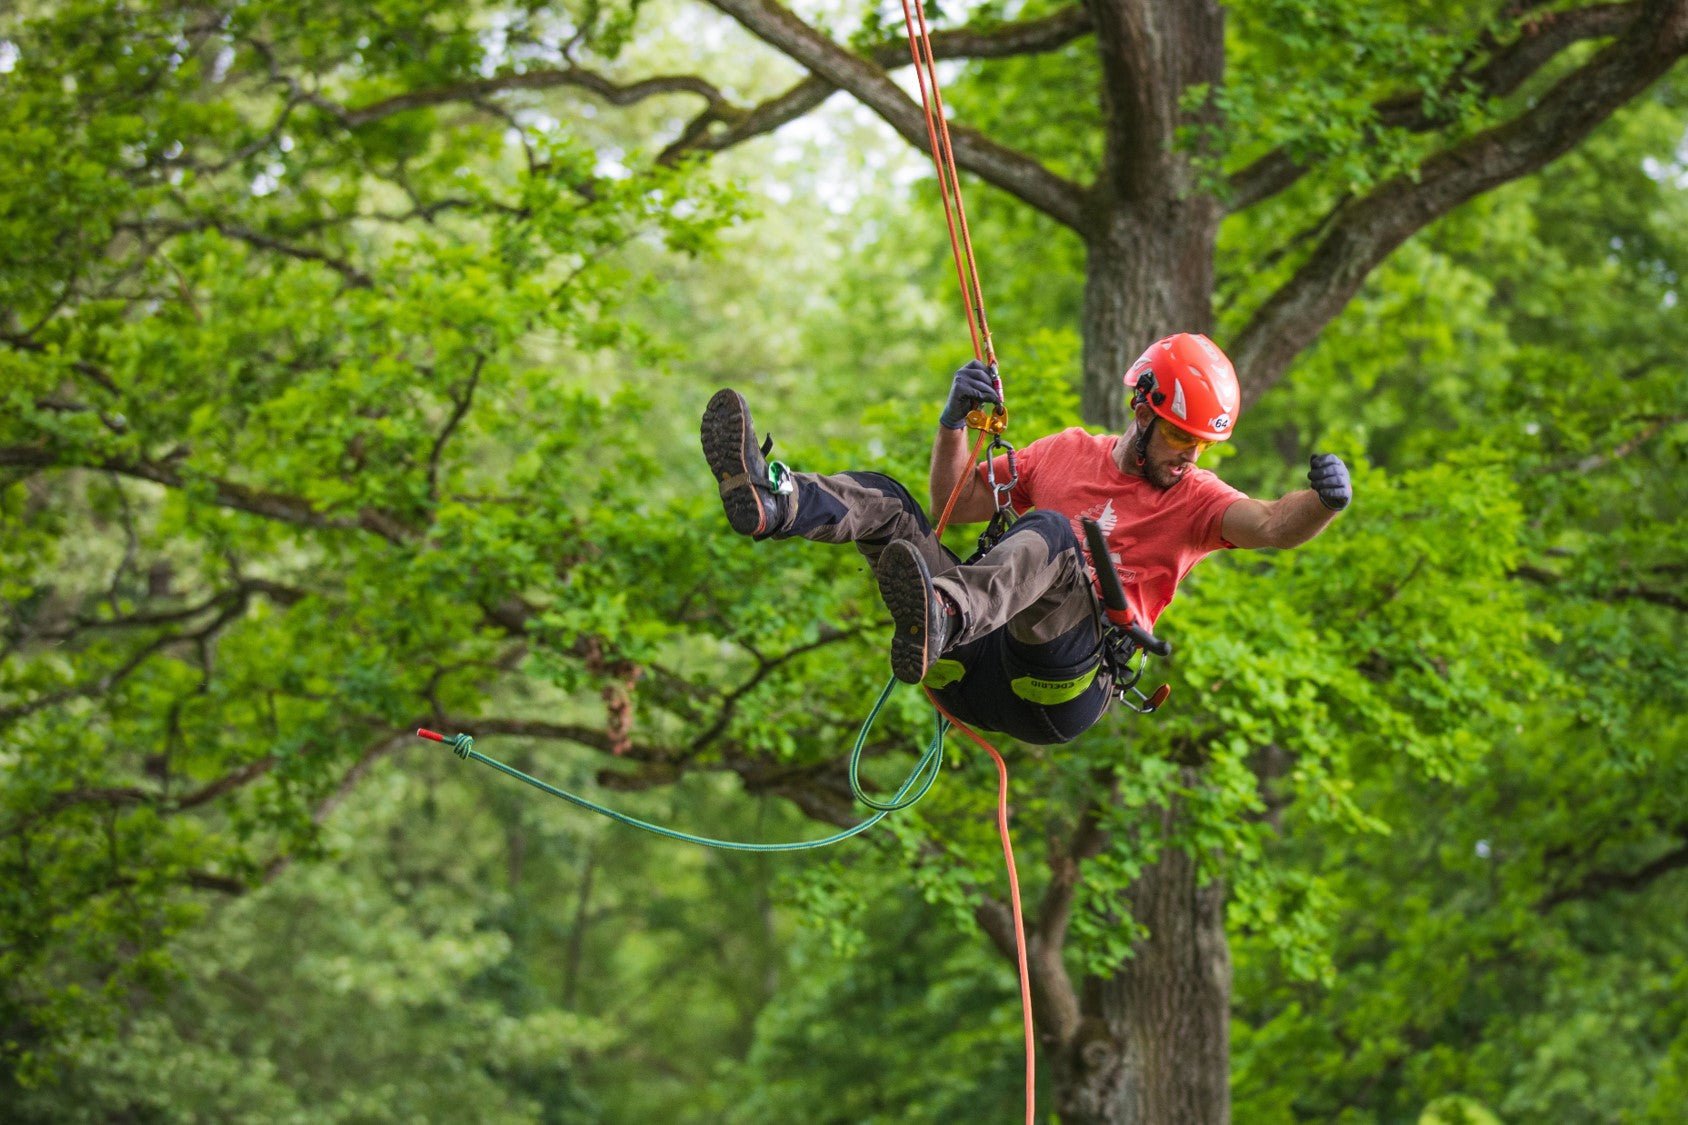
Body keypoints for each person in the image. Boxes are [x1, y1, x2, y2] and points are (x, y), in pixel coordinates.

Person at [699, 333, 1352, 745]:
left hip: (1062, 687)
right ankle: (772, 500)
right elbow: (952, 507)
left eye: (1201, 445)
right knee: (891, 504)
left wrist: (1323, 503)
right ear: (1142, 408)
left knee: (1059, 539)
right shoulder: (1065, 453)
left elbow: (1273, 524)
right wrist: (953, 424)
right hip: (966, 667)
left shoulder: (1198, 498)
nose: (1189, 456)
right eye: (1181, 436)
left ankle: (942, 613)